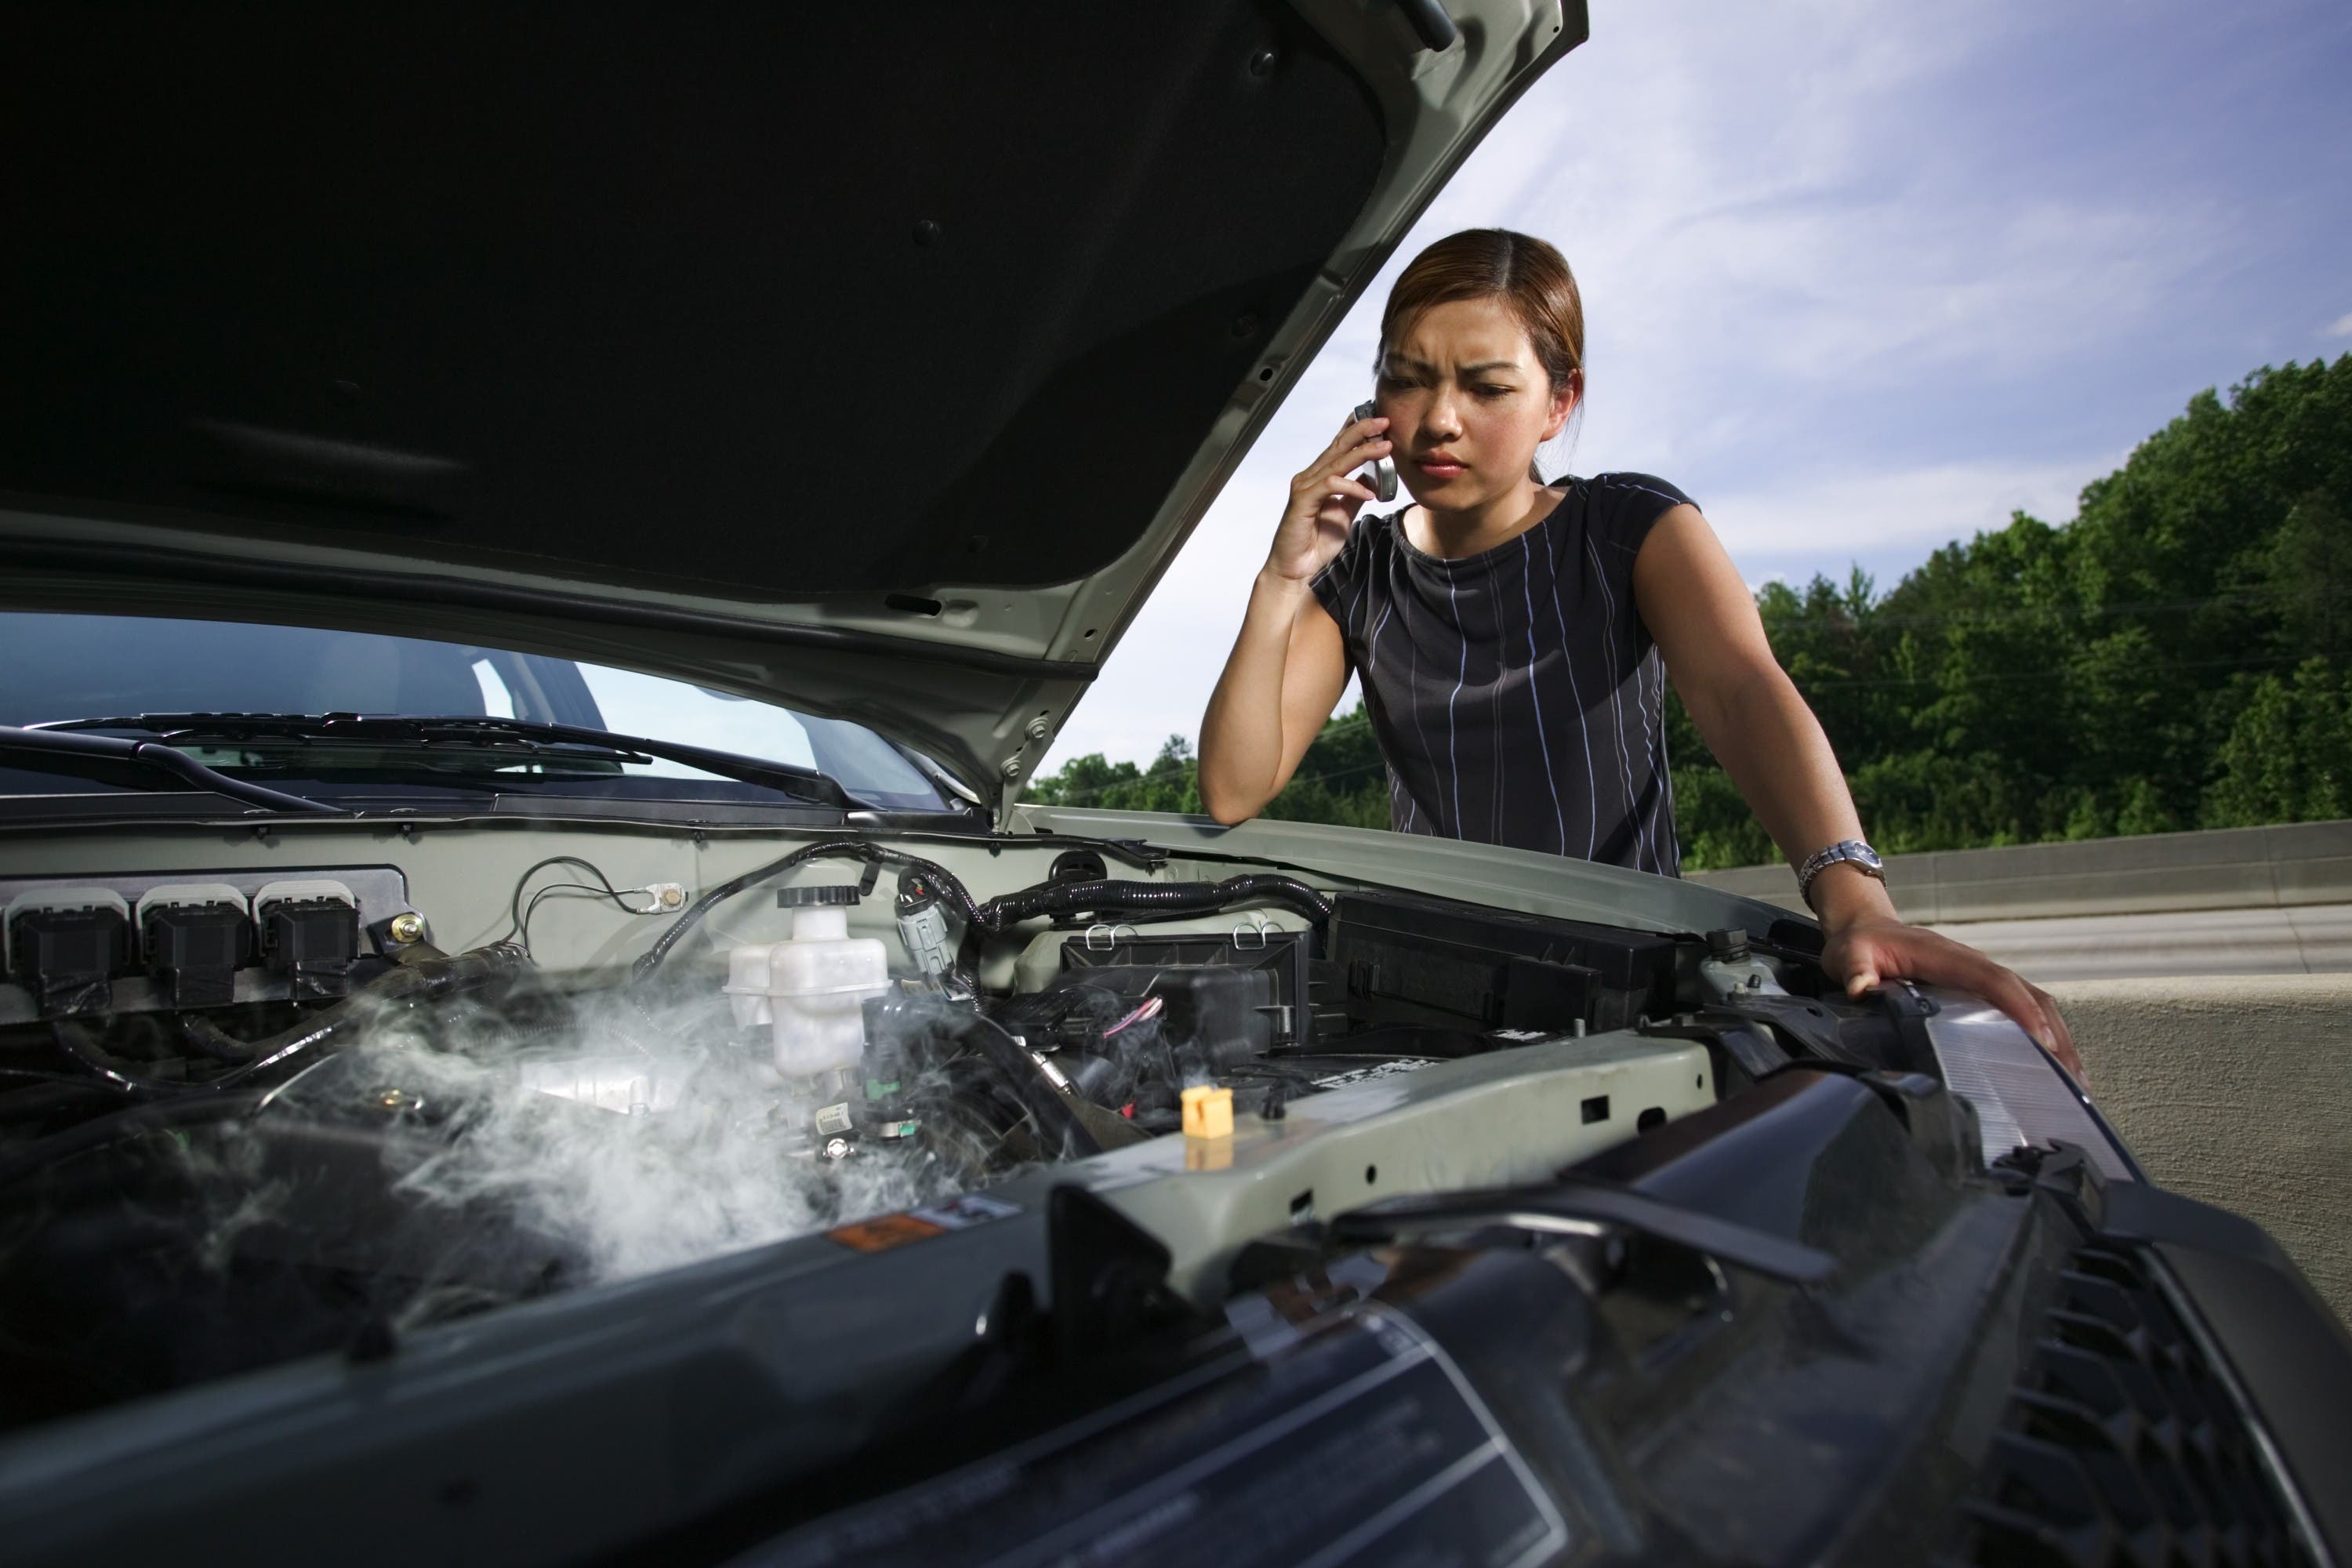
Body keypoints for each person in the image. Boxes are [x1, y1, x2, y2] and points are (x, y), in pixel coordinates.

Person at [1198, 228, 2083, 1080]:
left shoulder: (1628, 527)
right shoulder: (1360, 570)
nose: (1439, 421)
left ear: (1560, 401)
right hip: (1423, 995)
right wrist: (1283, 576)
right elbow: (1235, 786)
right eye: (1408, 378)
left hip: (1620, 997)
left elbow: (1742, 690)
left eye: (1487, 387)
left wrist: (1853, 900)